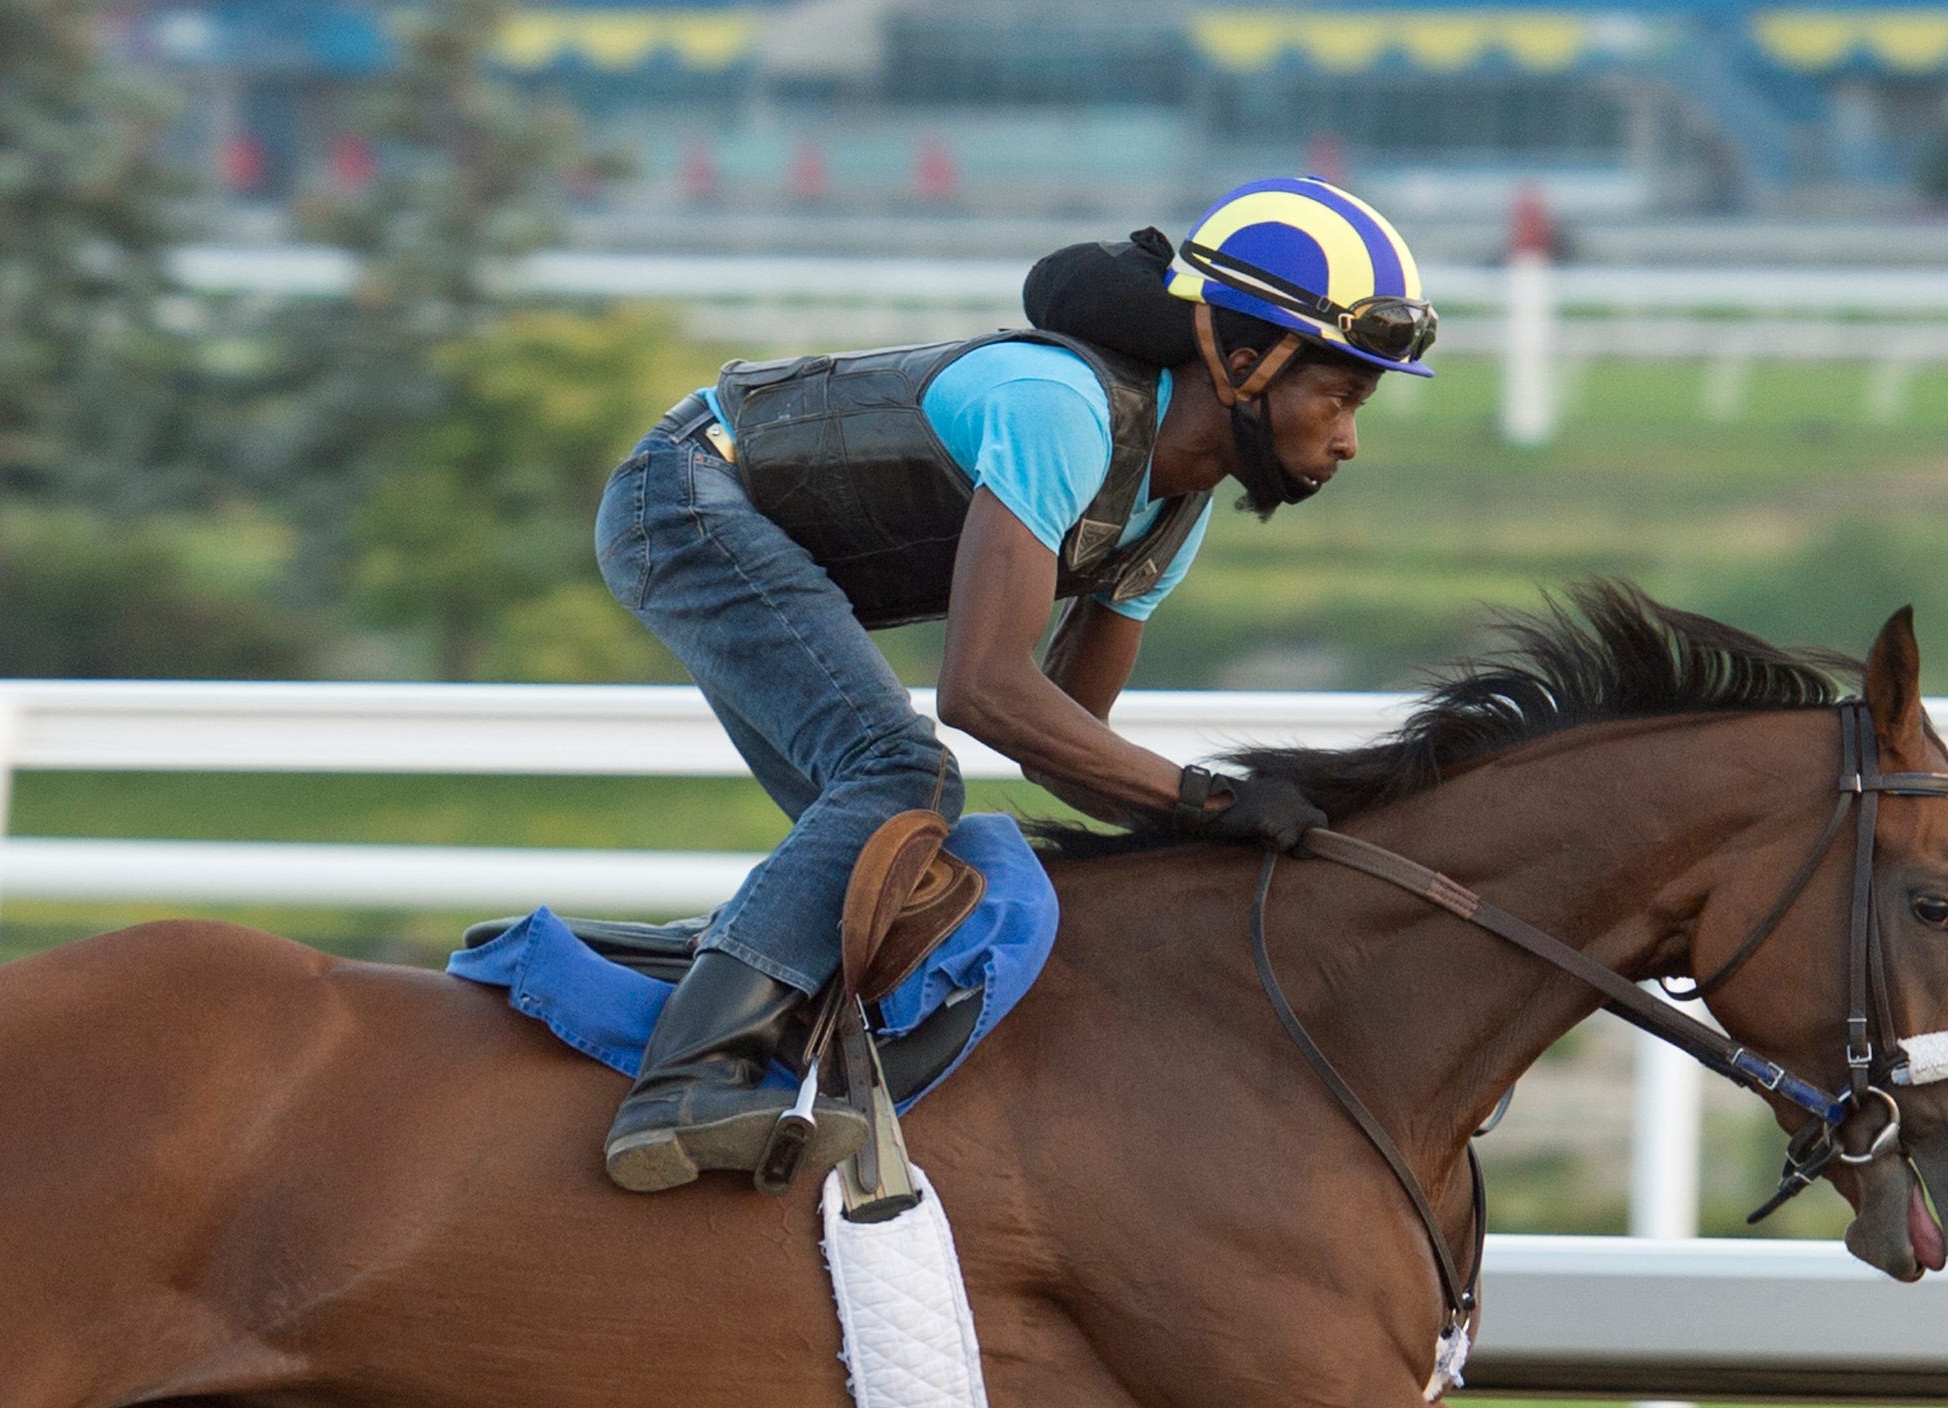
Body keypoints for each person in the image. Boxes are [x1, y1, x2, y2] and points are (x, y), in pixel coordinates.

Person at [592, 177, 1438, 1193]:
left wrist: (1231, 829)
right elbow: (984, 693)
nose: (1347, 439)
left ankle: (714, 994)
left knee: (897, 845)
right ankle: (686, 1082)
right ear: (1244, 361)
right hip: (684, 497)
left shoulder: (1174, 512)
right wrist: (1205, 797)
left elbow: (1067, 743)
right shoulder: (1062, 410)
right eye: (1340, 398)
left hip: (733, 520)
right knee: (900, 775)